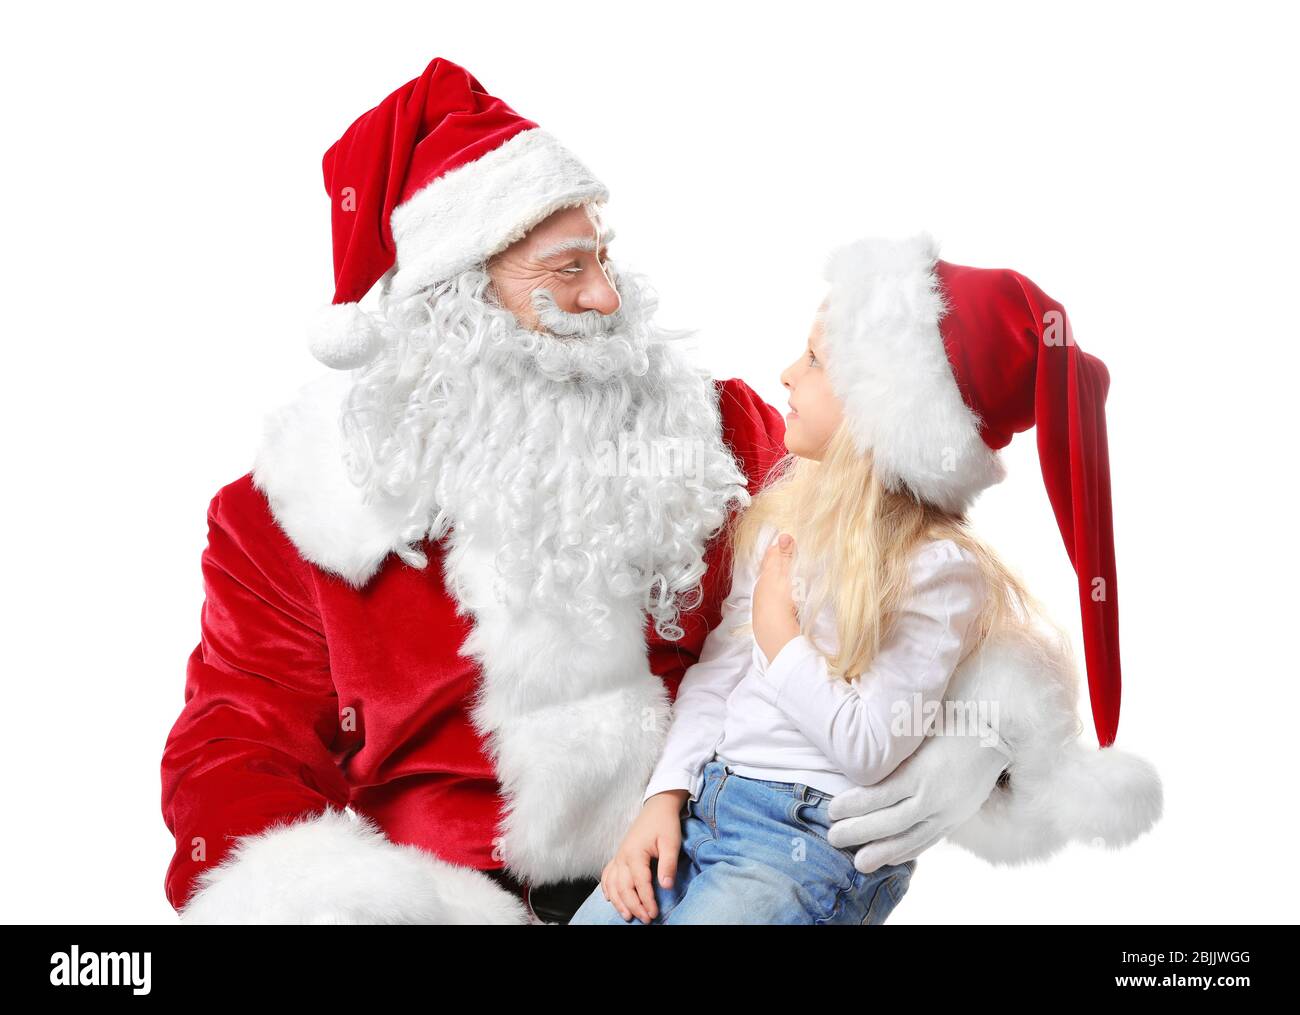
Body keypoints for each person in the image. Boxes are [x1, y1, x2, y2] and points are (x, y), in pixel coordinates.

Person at [161, 54, 1160, 925]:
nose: (608, 295)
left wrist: (974, 739)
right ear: (450, 306)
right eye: (567, 269)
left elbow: (909, 565)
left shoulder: (721, 437)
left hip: (718, 870)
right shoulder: (292, 516)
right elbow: (233, 750)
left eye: (603, 257)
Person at [571, 234, 1164, 924]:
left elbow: (869, 744)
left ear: (880, 416)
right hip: (708, 807)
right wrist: (663, 797)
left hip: (801, 843)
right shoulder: (781, 520)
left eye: (817, 360)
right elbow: (719, 673)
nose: (788, 373)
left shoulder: (939, 570)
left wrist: (781, 638)